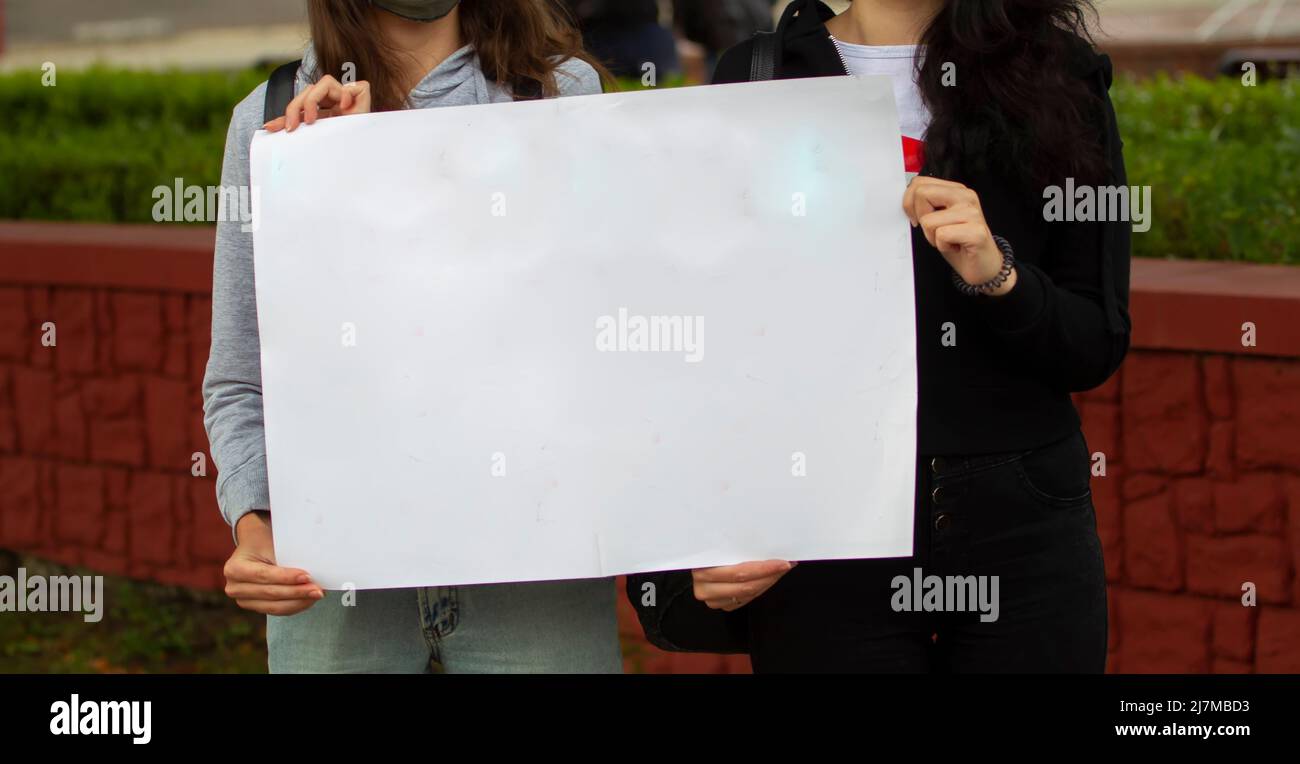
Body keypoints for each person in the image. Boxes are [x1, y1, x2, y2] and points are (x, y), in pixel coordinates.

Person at [630, 0, 1130, 673]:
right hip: (822, 523)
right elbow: (702, 337)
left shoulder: (1058, 72)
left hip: (1019, 521)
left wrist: (998, 274)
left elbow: (1095, 339)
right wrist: (691, 536)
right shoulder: (757, 76)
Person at [203, 0, 623, 674]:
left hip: (534, 574)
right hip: (339, 583)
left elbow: (597, 342)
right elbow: (239, 374)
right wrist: (257, 528)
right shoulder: (273, 117)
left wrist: (382, 175)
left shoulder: (559, 94)